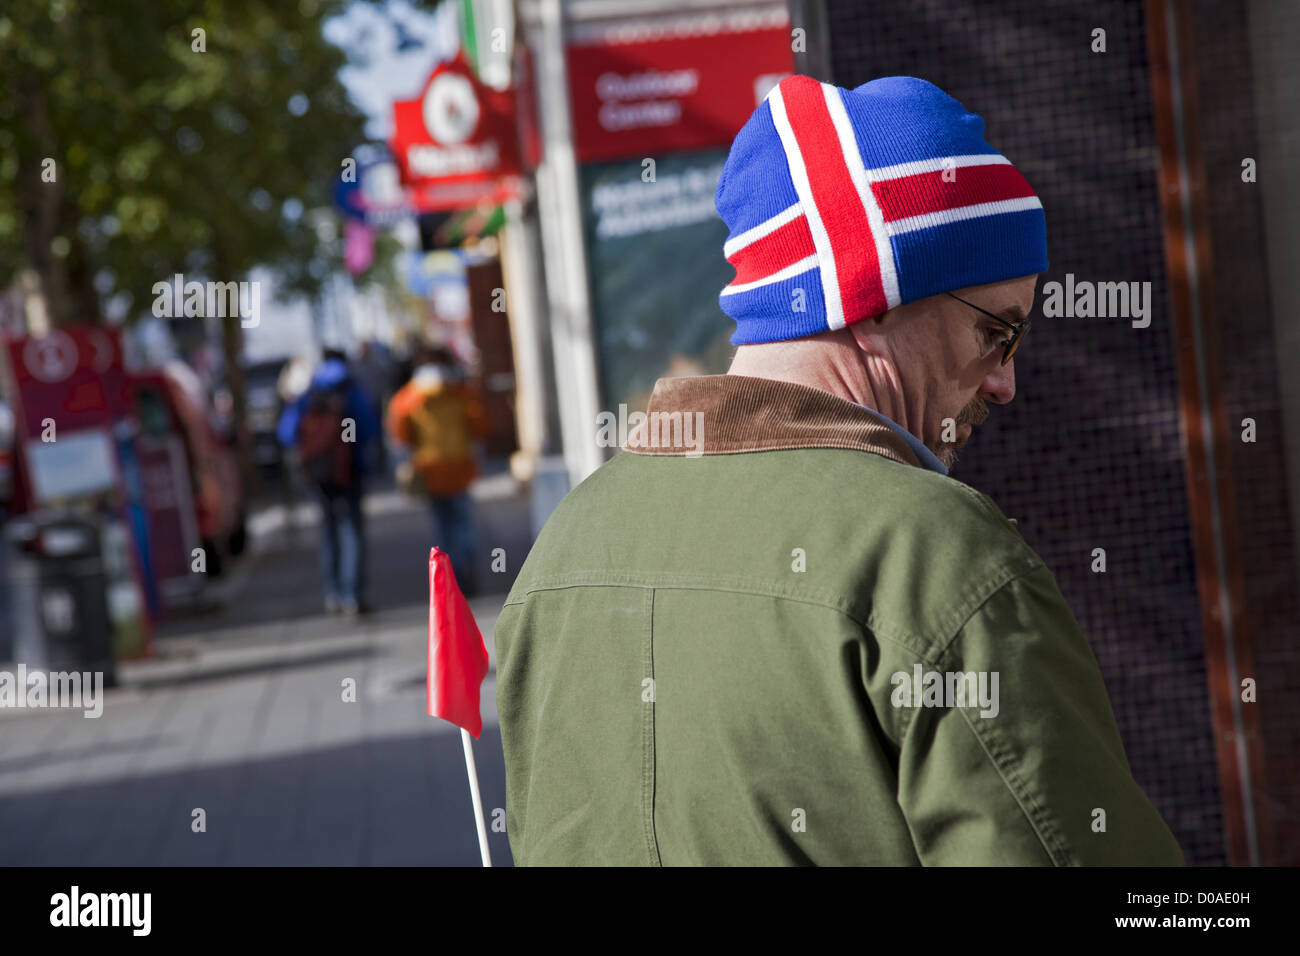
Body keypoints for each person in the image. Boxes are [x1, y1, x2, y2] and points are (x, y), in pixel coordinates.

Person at [492, 75, 1185, 866]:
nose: (1005, 380)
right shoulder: (932, 550)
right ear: (875, 296)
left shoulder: (562, 551)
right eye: (1001, 331)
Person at [277, 348, 381, 615]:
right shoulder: (351, 388)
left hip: (318, 474)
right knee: (352, 532)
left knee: (328, 532)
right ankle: (352, 595)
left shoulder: (309, 391)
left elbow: (287, 434)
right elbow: (369, 428)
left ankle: (332, 593)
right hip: (350, 471)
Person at [386, 345, 488, 596]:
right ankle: (467, 572)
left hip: (429, 470)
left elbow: (399, 433)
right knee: (463, 524)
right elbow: (480, 425)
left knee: (442, 527)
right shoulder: (462, 393)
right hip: (459, 466)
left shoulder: (407, 397)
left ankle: (450, 577)